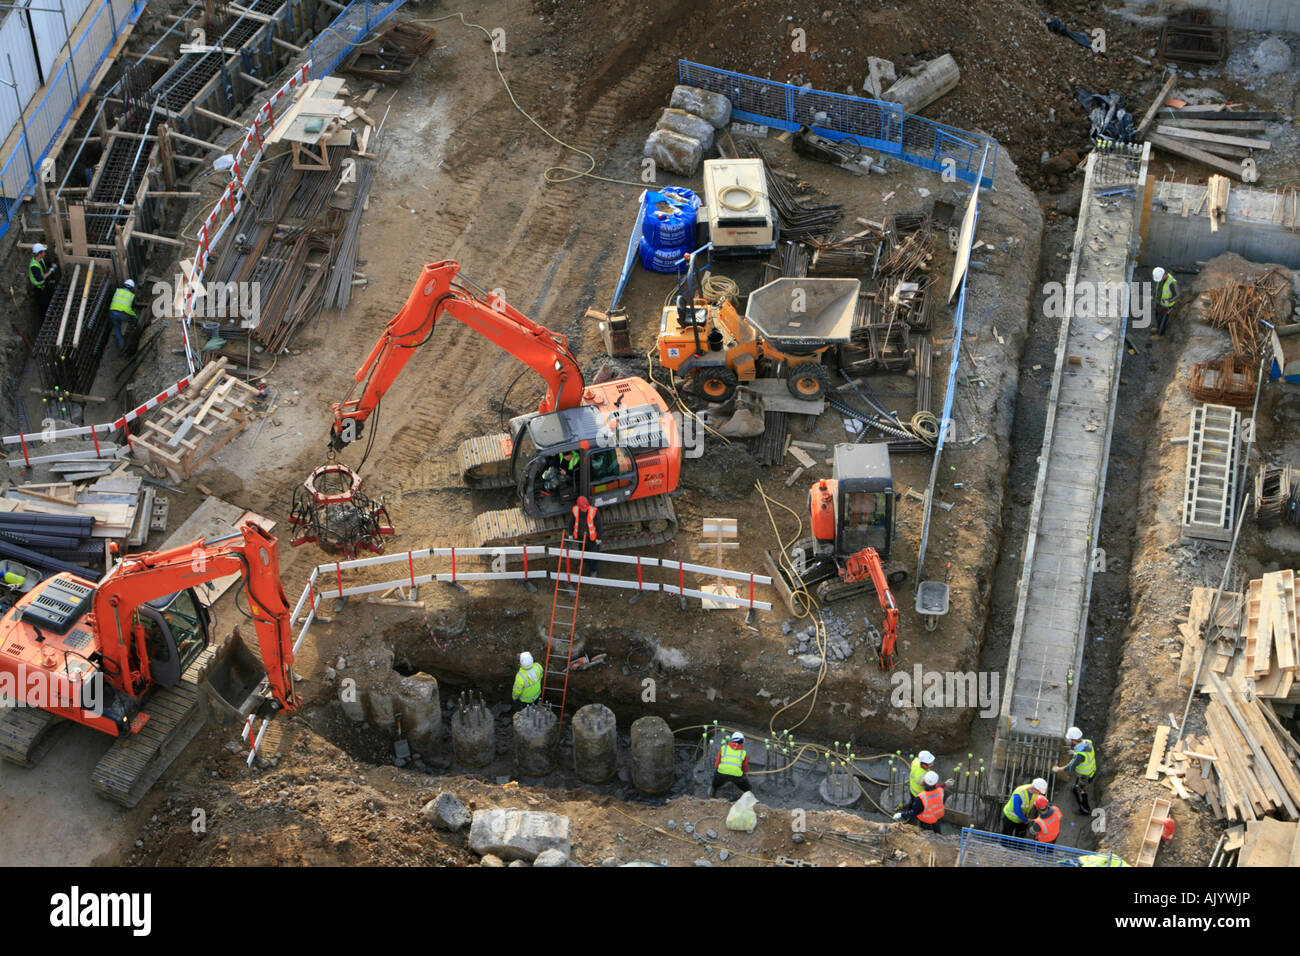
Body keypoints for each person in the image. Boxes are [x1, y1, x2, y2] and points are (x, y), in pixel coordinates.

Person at [1053, 726, 1096, 815]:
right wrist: (1074, 752)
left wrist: (1059, 769)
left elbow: (1070, 767)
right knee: (1077, 787)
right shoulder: (1088, 742)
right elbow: (1083, 751)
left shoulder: (1080, 755)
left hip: (1085, 776)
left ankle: (1085, 810)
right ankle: (1076, 788)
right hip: (1092, 771)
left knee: (1082, 793)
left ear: (1073, 740)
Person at [709, 731, 752, 798]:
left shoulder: (724, 748)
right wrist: (745, 772)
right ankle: (748, 797)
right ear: (742, 741)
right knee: (747, 788)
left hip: (722, 773)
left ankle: (713, 792)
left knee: (715, 783)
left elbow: (717, 764)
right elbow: (745, 768)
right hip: (736, 776)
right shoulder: (743, 753)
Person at [27, 243, 58, 321]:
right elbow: (40, 278)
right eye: (43, 251)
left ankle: (53, 311)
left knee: (50, 297)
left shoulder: (41, 259)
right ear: (39, 254)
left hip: (45, 284)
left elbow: (48, 263)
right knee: (44, 305)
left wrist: (53, 265)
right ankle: (47, 319)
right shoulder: (34, 266)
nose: (45, 252)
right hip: (39, 289)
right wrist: (50, 271)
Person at [108, 278, 137, 353]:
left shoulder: (117, 291)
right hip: (123, 315)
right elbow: (130, 309)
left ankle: (122, 346)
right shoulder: (131, 295)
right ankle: (133, 333)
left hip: (112, 312)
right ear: (132, 288)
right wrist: (134, 316)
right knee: (133, 320)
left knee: (117, 328)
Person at [1151, 266, 1178, 338]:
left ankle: (1160, 335)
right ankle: (1158, 328)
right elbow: (1158, 289)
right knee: (1157, 316)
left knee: (1163, 320)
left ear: (1164, 275)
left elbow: (1177, 295)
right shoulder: (1161, 279)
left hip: (1167, 306)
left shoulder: (1172, 282)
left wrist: (1169, 301)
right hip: (1159, 303)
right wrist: (1154, 295)